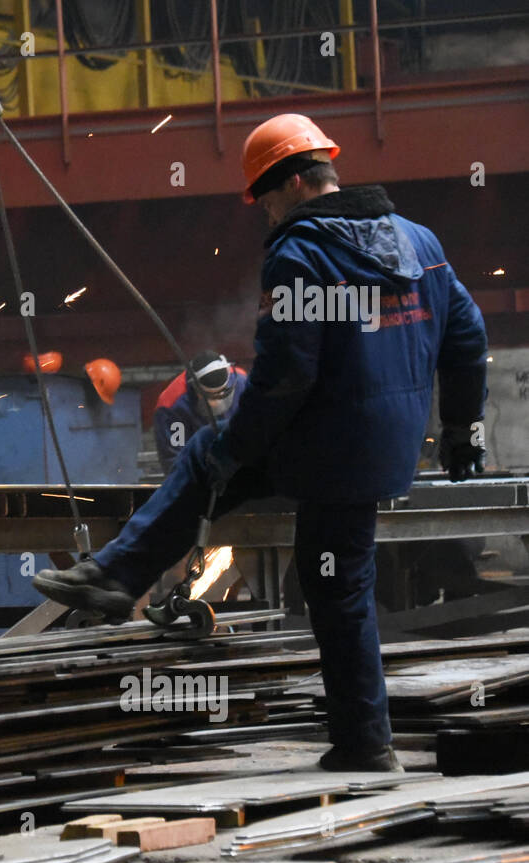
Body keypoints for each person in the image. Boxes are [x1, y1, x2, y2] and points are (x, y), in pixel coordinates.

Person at [32, 114, 488, 772]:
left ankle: (367, 746)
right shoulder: (420, 243)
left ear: (298, 183)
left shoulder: (300, 253)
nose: (269, 215)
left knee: (330, 581)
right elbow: (467, 339)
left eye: (269, 200)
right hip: (386, 450)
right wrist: (459, 434)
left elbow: (285, 379)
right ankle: (112, 576)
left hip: (330, 452)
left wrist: (235, 447)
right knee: (320, 564)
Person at [153, 351, 248, 473]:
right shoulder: (173, 407)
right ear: (195, 387)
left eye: (223, 393)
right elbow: (175, 458)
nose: (216, 403)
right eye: (210, 396)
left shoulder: (242, 384)